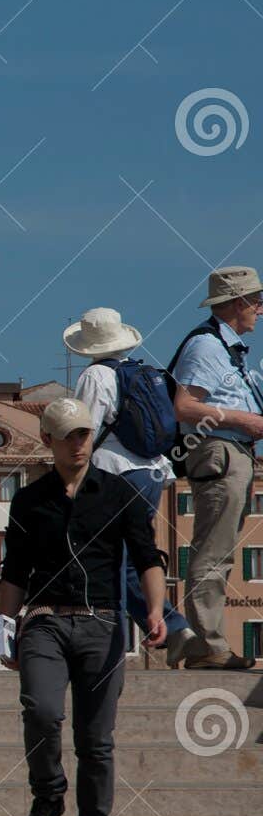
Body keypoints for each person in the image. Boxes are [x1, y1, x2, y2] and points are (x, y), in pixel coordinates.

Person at [0, 396, 167, 816]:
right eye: (68, 435)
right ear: (47, 440)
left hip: (103, 624)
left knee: (95, 741)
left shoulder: (119, 494)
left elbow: (147, 557)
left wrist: (155, 612)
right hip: (45, 621)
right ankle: (48, 795)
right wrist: (5, 631)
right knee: (42, 710)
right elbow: (14, 571)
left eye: (84, 434)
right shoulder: (29, 500)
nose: (78, 444)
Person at [66, 306, 195, 667]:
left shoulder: (95, 376)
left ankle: (110, 645)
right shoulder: (144, 372)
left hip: (115, 474)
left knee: (111, 561)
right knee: (133, 557)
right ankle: (173, 626)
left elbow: (83, 431)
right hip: (153, 473)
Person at [169, 266, 263, 671]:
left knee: (220, 552)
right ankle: (209, 644)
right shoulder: (207, 347)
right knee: (213, 552)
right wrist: (243, 421)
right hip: (221, 451)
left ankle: (211, 642)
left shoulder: (225, 348)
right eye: (256, 302)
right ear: (238, 303)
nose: (260, 310)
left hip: (230, 452)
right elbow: (185, 406)